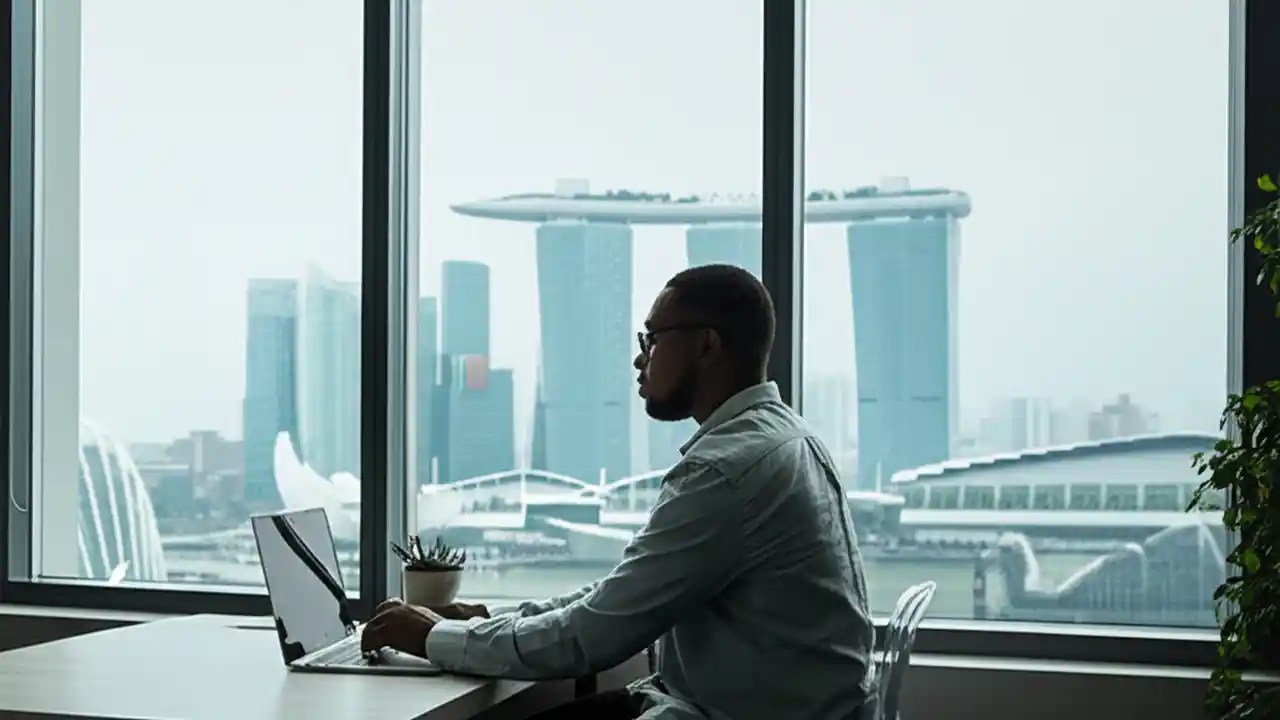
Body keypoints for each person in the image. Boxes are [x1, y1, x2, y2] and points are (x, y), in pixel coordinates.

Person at [362, 264, 876, 719]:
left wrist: (429, 637)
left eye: (651, 339)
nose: (639, 359)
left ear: (706, 345)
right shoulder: (790, 439)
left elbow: (594, 635)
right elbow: (621, 596)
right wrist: (491, 620)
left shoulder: (727, 471)